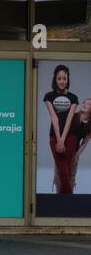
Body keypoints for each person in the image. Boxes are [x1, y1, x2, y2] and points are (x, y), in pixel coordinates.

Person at [44, 64, 79, 194]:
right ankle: (69, 201)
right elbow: (54, 118)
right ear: (55, 79)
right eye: (59, 78)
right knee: (61, 169)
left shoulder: (73, 98)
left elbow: (70, 119)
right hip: (54, 137)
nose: (62, 81)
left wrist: (63, 139)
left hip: (71, 137)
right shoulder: (49, 96)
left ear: (67, 80)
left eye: (64, 78)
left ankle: (64, 202)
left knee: (67, 169)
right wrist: (59, 140)